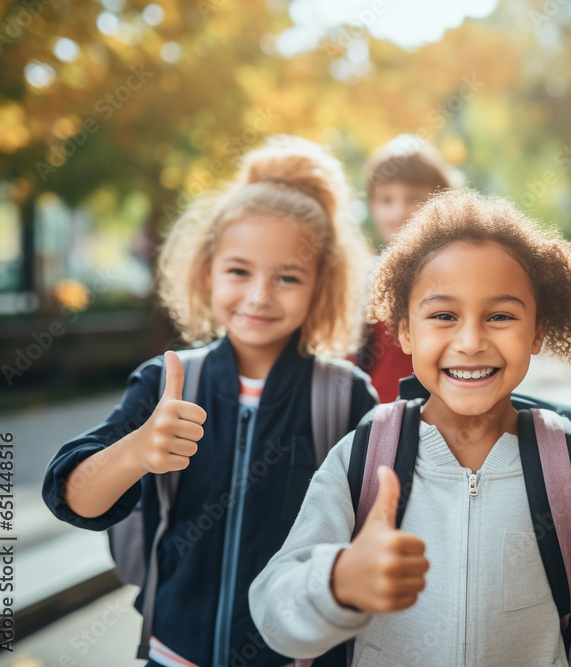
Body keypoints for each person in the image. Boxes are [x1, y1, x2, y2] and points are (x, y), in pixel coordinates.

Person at [249, 189, 571, 665]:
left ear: (537, 330)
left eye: (500, 316)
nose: (472, 341)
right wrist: (338, 581)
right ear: (405, 332)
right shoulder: (365, 457)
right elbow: (275, 614)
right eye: (443, 316)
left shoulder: (570, 470)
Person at [41, 136, 379, 667]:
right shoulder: (165, 381)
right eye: (239, 271)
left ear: (322, 285)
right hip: (174, 655)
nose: (260, 295)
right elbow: (72, 498)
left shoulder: (346, 396)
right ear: (207, 271)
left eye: (288, 276)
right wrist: (136, 452)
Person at [356, 134, 463, 403]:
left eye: (414, 198)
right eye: (386, 200)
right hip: (371, 419)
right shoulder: (362, 275)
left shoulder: (458, 271)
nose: (399, 211)